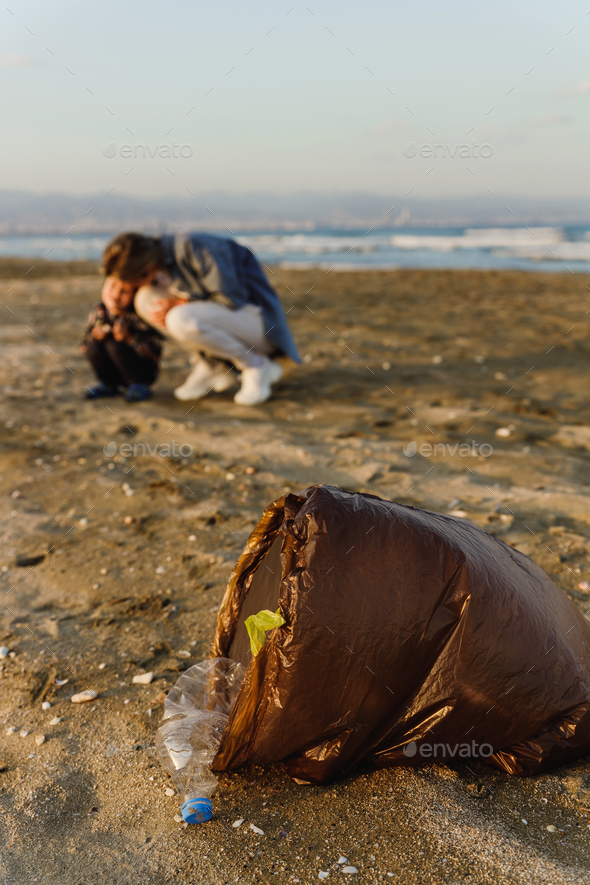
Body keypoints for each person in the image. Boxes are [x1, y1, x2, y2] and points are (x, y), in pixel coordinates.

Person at [101, 231, 300, 406]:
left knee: (180, 318)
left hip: (258, 322)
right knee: (145, 299)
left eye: (132, 281)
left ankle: (256, 364)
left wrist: (182, 302)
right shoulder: (158, 265)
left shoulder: (195, 246)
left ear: (146, 268)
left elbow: (232, 298)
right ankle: (213, 365)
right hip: (226, 321)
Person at [81, 273, 163, 402]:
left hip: (142, 372)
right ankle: (108, 385)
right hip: (114, 371)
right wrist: (95, 337)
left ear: (135, 295)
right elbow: (84, 344)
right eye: (112, 286)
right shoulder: (100, 312)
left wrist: (129, 339)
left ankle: (139, 386)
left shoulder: (138, 315)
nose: (116, 294)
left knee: (115, 345)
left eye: (124, 291)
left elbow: (154, 353)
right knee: (94, 346)